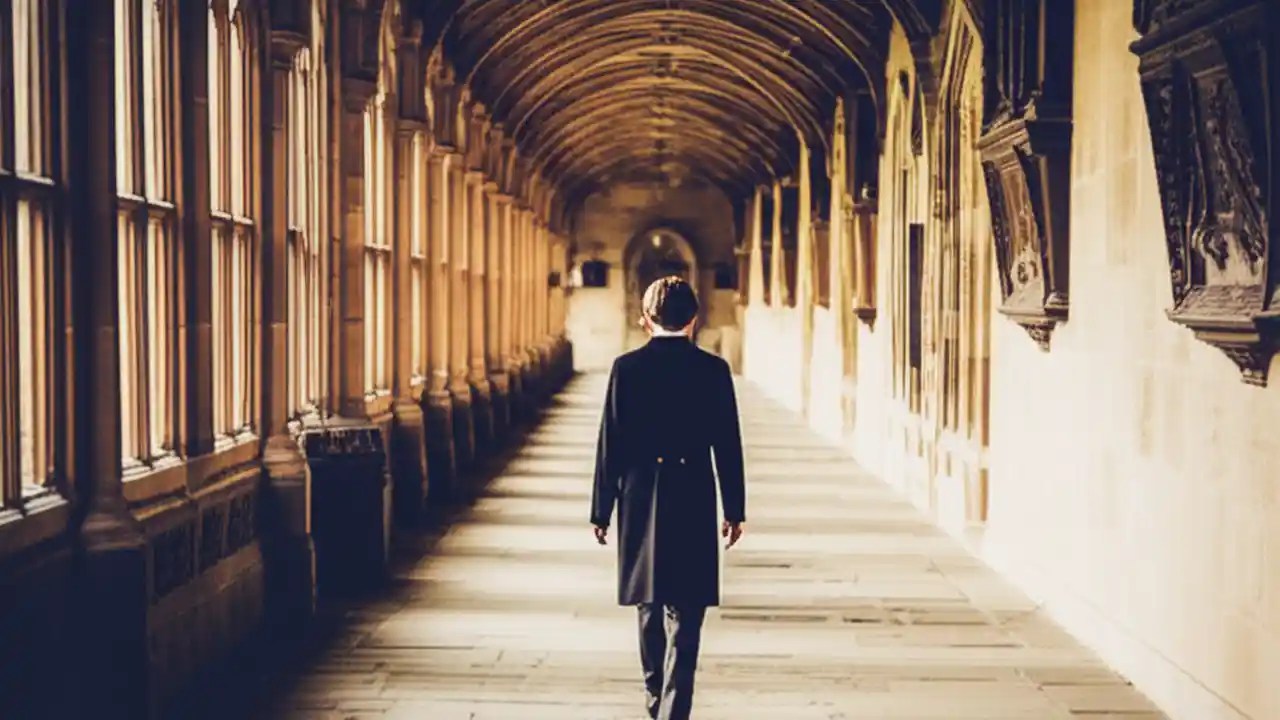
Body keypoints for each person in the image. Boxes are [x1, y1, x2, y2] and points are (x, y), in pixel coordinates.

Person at [590, 275, 747, 720]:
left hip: (639, 495)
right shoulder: (713, 371)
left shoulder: (626, 369)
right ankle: (676, 710)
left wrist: (601, 509)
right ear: (694, 321)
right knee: (688, 609)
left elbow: (611, 444)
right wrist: (734, 509)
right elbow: (727, 444)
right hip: (694, 492)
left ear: (645, 320)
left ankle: (654, 695)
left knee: (648, 601)